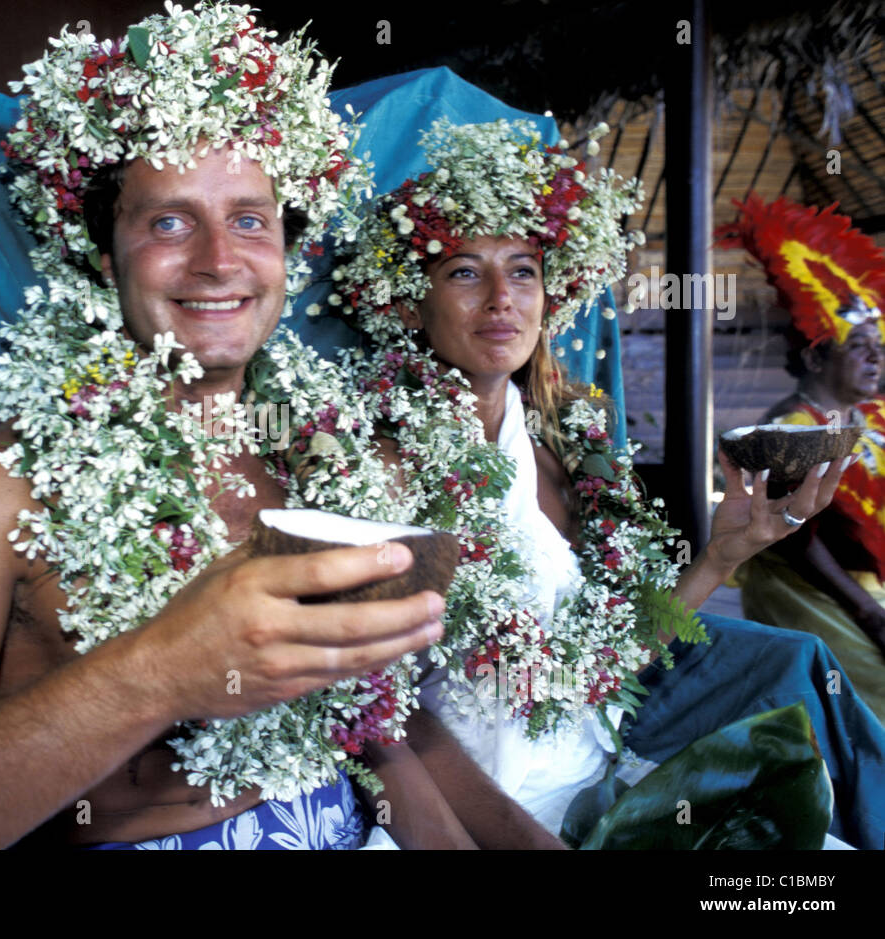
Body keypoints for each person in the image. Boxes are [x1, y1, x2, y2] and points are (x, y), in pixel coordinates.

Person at [0, 2, 532, 850]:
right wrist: (162, 673)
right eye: (169, 221)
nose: (216, 260)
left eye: (249, 219)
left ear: (288, 253)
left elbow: (382, 726)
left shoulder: (337, 460)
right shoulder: (6, 489)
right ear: (105, 256)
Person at [329, 119, 885, 847]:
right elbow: (379, 714)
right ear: (409, 302)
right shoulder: (387, 465)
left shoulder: (557, 446)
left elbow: (610, 661)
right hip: (479, 814)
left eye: (523, 269)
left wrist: (723, 555)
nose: (502, 297)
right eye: (465, 271)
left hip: (607, 782)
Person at [719, 195, 885, 724]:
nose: (877, 358)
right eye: (859, 345)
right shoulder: (791, 431)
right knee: (868, 696)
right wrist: (869, 614)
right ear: (815, 355)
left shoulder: (874, 419)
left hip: (862, 582)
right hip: (807, 590)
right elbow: (804, 542)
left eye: (879, 345)